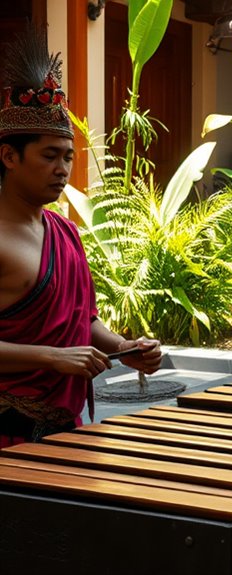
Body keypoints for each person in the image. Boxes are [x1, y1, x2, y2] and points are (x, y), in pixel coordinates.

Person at [0, 29, 162, 447]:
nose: (62, 169)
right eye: (49, 156)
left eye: (68, 157)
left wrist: (126, 347)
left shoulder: (66, 232)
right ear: (9, 156)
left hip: (64, 429)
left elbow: (82, 321)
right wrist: (52, 357)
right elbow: (59, 348)